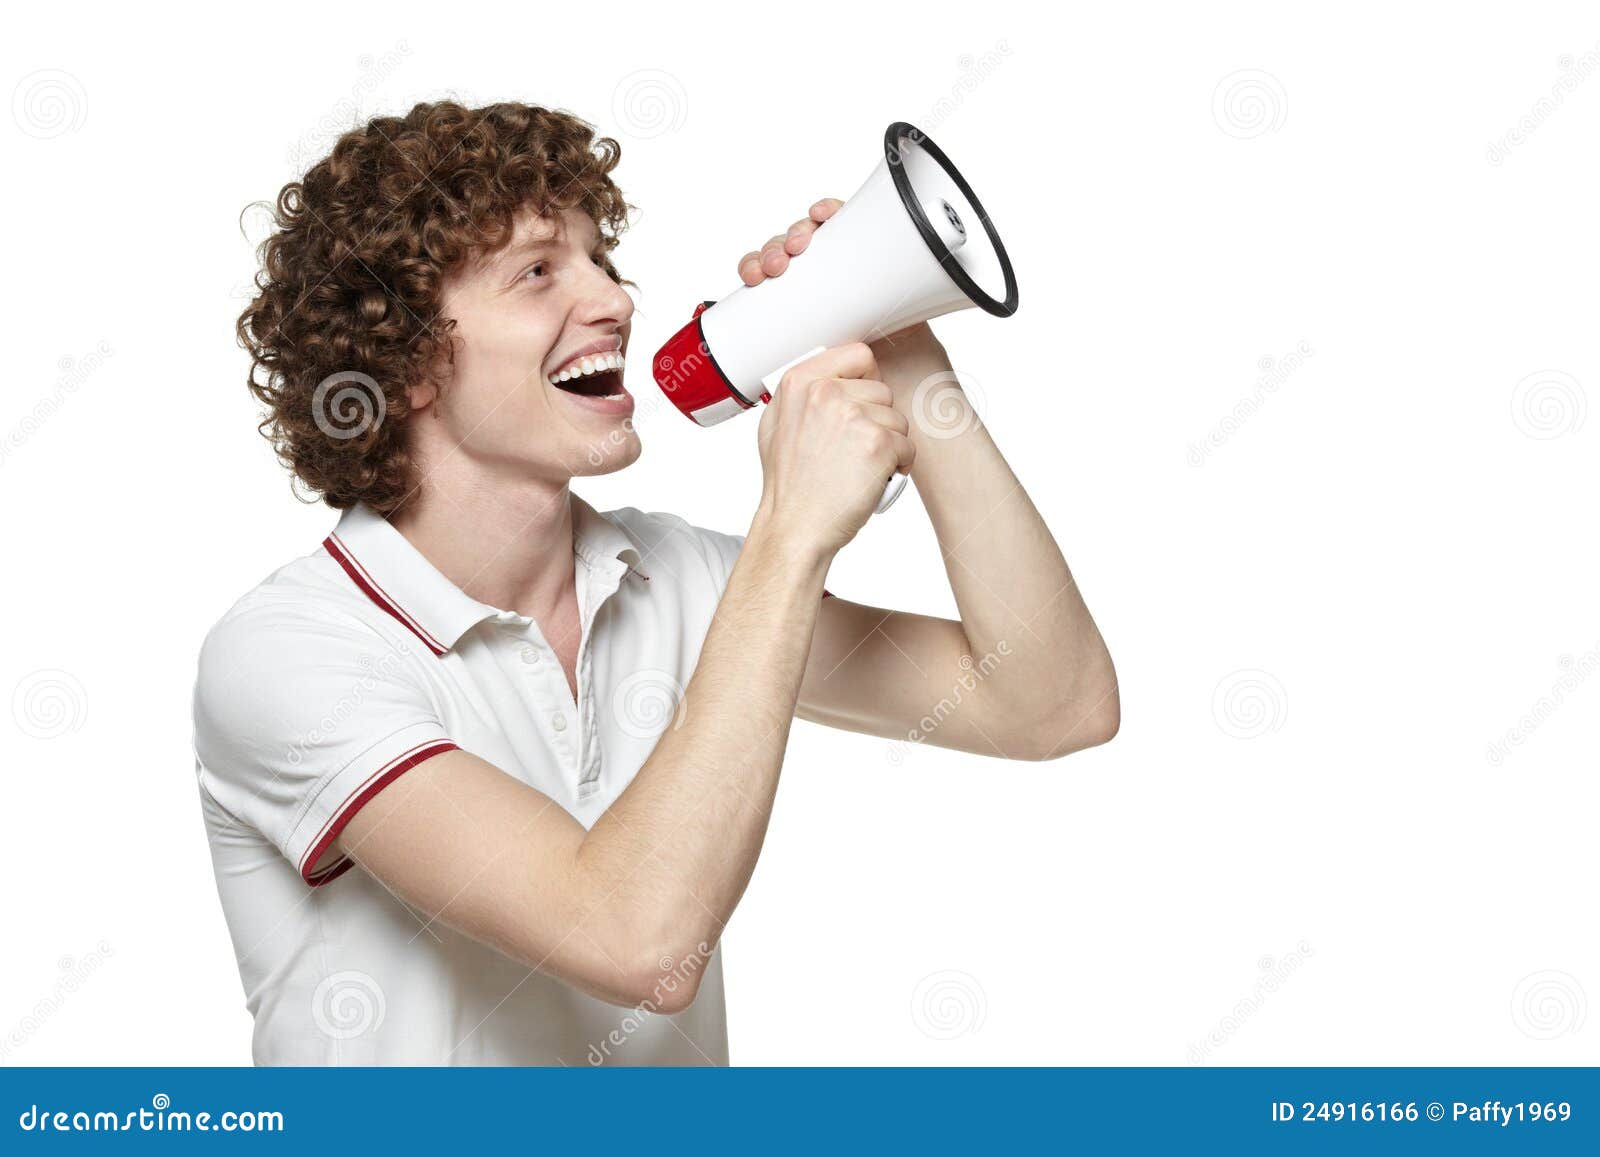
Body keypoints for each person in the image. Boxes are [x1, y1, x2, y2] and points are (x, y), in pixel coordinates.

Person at [194, 100, 1118, 1065]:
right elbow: (635, 940)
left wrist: (902, 349)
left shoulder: (679, 578)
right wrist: (791, 531)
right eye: (538, 271)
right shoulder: (289, 653)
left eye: (601, 260)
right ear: (408, 360)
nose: (614, 300)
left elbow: (1052, 703)